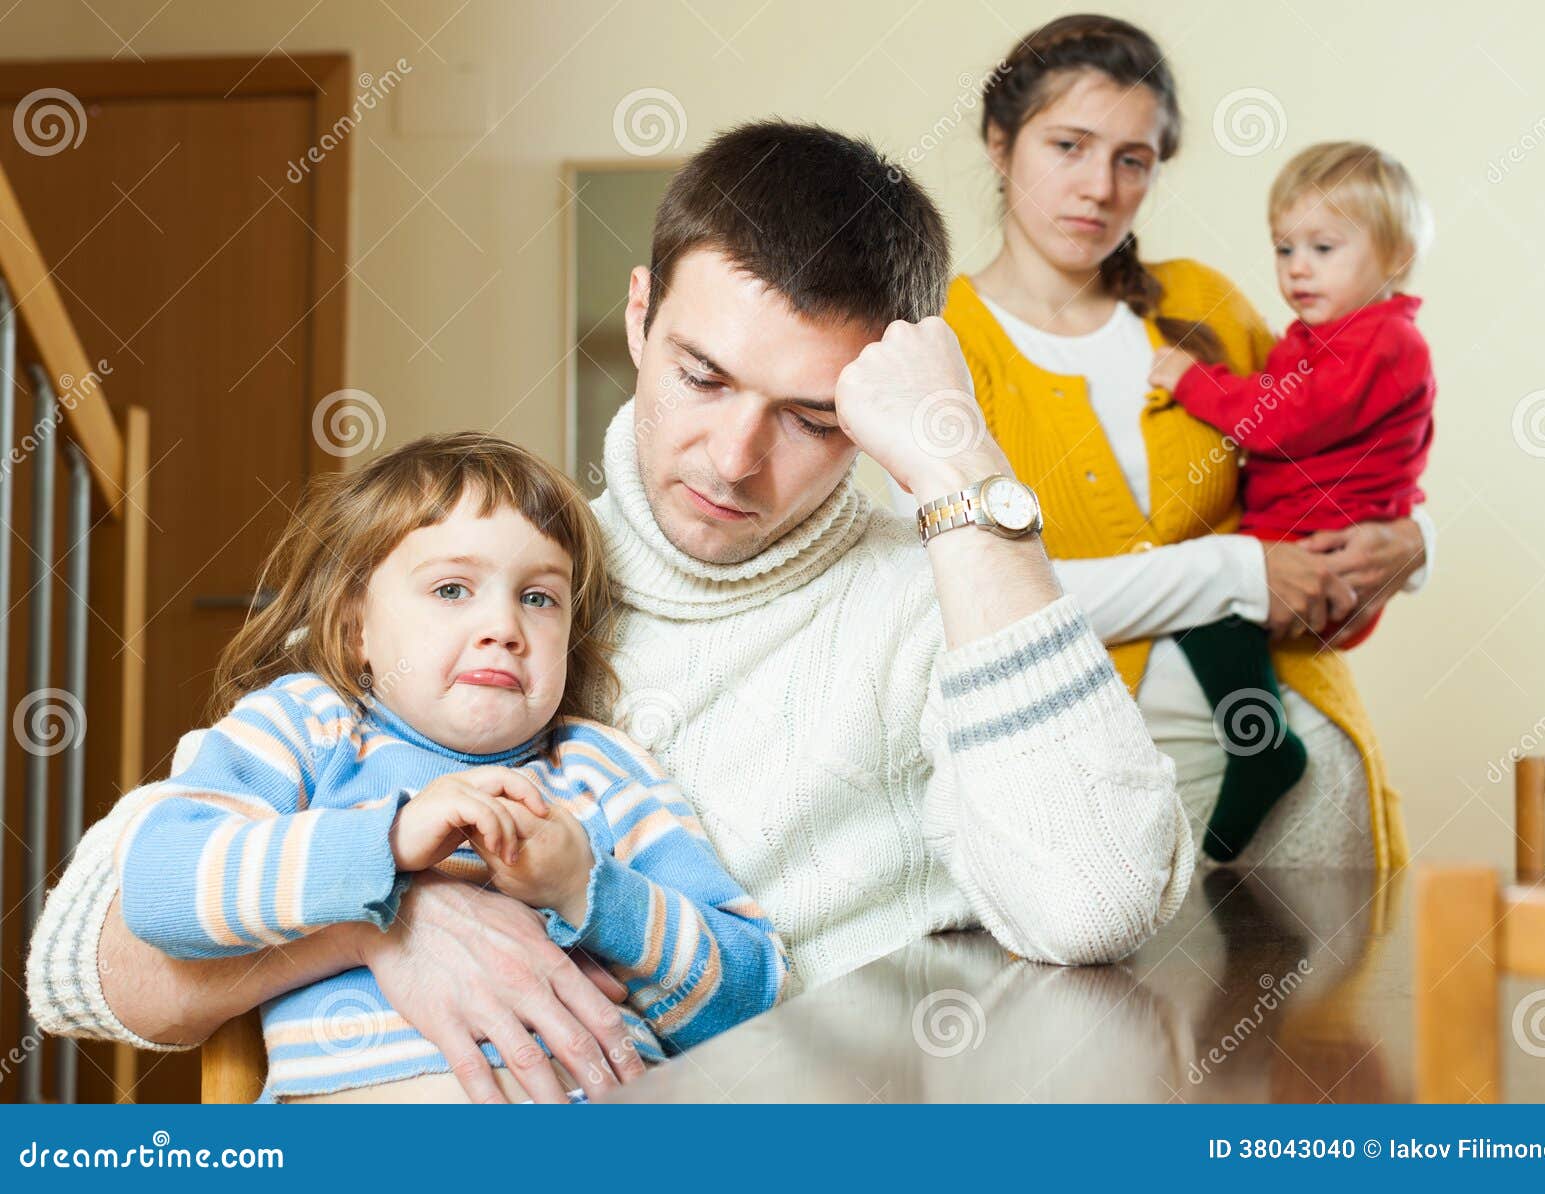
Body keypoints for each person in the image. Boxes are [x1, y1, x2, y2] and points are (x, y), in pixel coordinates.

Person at [29, 119, 1192, 1104]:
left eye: (812, 417)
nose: (733, 459)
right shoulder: (462, 584)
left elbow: (1092, 906)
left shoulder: (949, 594)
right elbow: (87, 963)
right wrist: (383, 921)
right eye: (700, 376)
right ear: (639, 318)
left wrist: (959, 470)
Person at [113, 433, 790, 1101]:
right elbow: (159, 882)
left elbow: (757, 1001)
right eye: (451, 589)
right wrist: (386, 843)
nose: (503, 626)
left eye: (538, 598)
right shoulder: (308, 728)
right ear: (357, 630)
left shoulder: (601, 770)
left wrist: (587, 889)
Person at [939, 14, 1432, 872]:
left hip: (1309, 793)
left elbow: (1354, 433)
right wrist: (1237, 574)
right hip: (1090, 815)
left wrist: (1417, 548)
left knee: (1340, 1010)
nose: (1100, 187)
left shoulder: (1202, 303)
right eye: (1068, 146)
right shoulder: (942, 343)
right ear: (998, 142)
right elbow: (970, 605)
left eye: (1134, 159)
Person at [1149, 141, 1436, 858]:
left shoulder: (1384, 342)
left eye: (1323, 247)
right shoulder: (1326, 337)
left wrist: (1192, 380)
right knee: (1202, 596)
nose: (1298, 267)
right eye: (1284, 248)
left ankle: (1263, 749)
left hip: (1324, 555)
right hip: (1300, 541)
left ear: (1396, 254)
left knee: (1203, 602)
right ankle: (1259, 742)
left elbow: (1278, 418)